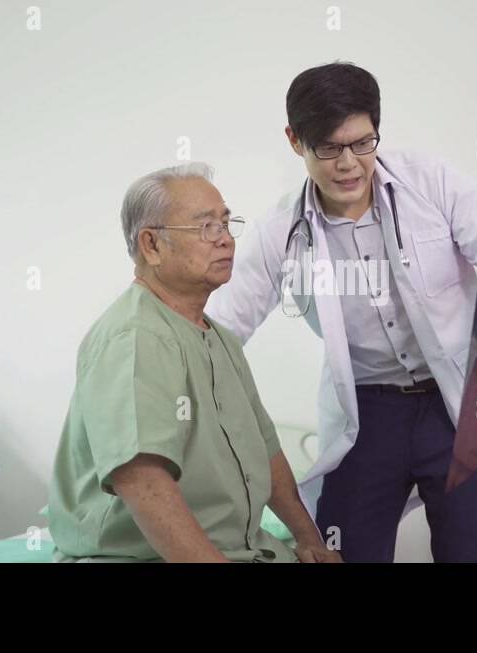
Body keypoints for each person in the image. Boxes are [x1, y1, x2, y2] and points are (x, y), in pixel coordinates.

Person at [207, 63, 477, 562]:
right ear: (294, 140)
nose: (349, 163)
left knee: (475, 549)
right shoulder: (280, 230)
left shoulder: (430, 181)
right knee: (344, 552)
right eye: (328, 148)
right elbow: (222, 327)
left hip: (455, 402)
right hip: (366, 413)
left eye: (363, 143)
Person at [48, 163, 340, 563]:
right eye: (206, 228)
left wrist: (311, 542)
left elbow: (268, 456)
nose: (226, 241)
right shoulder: (135, 337)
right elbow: (143, 481)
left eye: (226, 224)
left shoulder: (219, 340)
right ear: (151, 245)